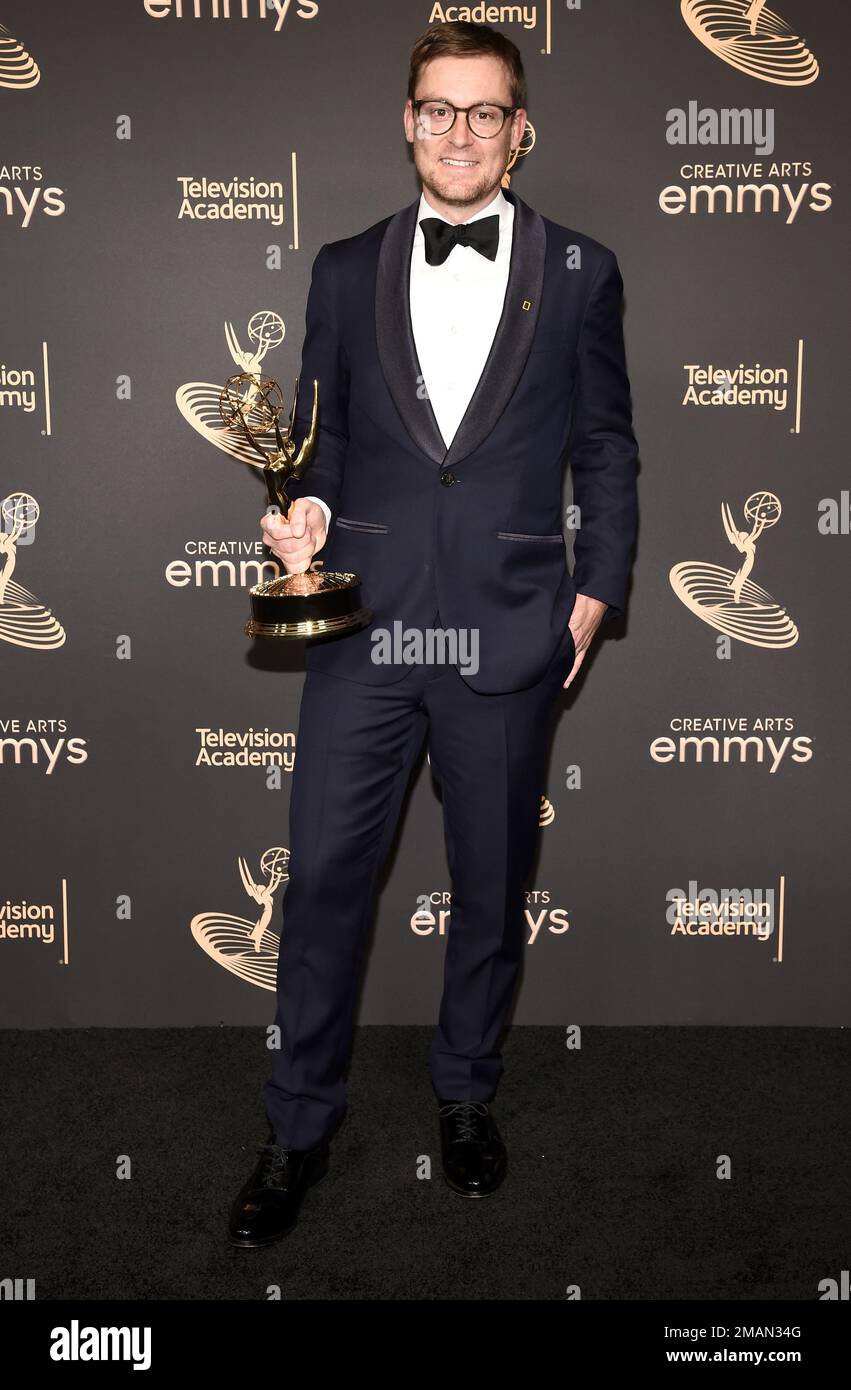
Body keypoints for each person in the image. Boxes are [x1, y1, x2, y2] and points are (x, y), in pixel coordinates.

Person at [228, 19, 638, 1247]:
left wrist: (595, 587)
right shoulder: (345, 268)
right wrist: (299, 512)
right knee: (324, 887)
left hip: (510, 633)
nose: (459, 131)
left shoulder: (582, 270)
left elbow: (607, 443)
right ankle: (298, 1123)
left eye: (484, 110)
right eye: (437, 108)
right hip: (364, 632)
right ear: (406, 120)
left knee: (490, 890)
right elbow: (328, 437)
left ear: (519, 130)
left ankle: (465, 1093)